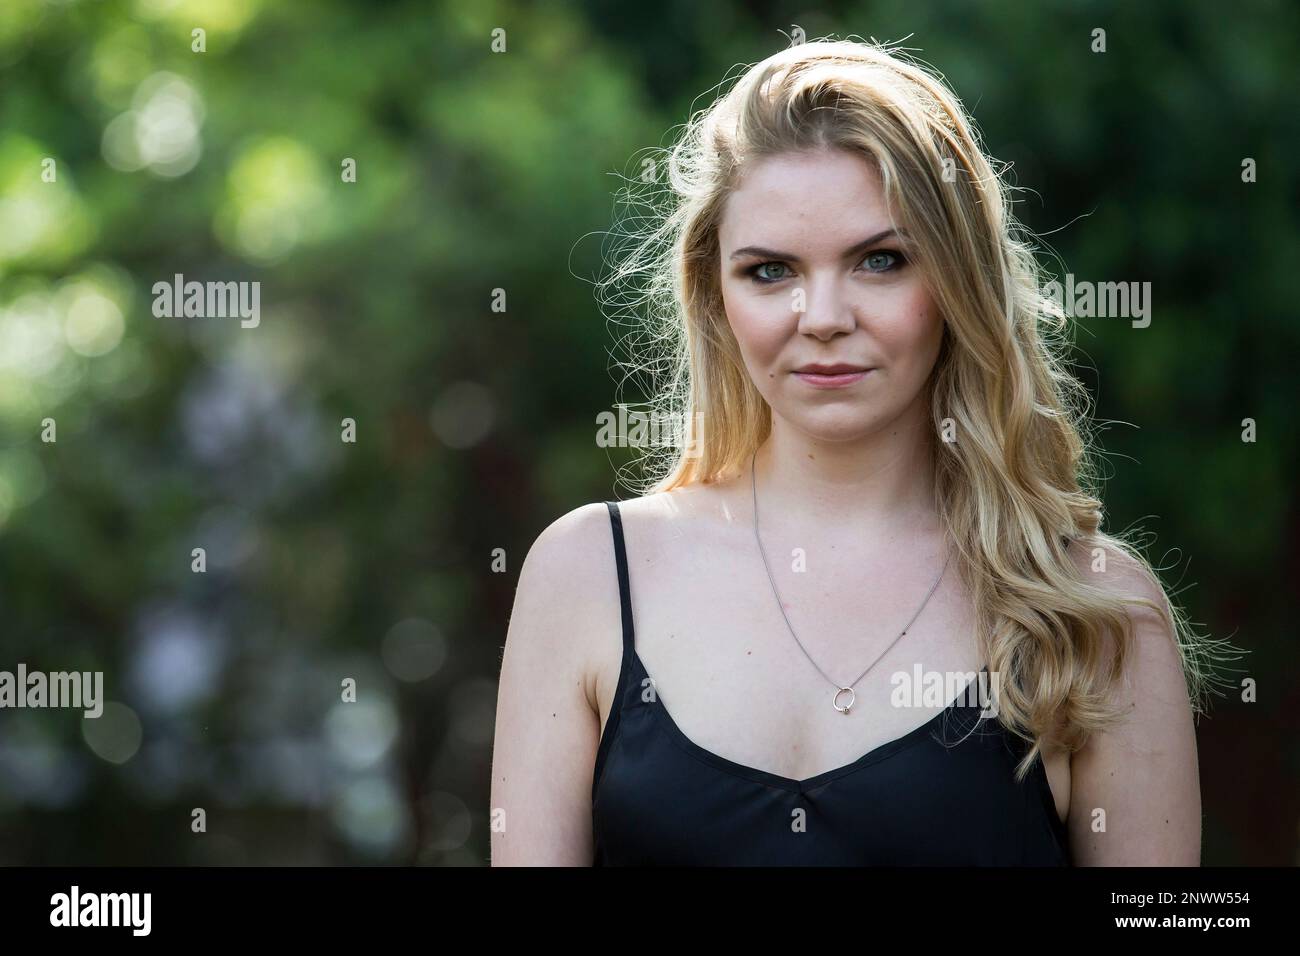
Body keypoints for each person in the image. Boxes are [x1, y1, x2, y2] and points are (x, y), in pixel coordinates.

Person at [490, 37, 1211, 866]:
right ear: (715, 294)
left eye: (880, 260)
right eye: (769, 271)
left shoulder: (1091, 610)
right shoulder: (587, 574)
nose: (822, 315)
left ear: (957, 281)